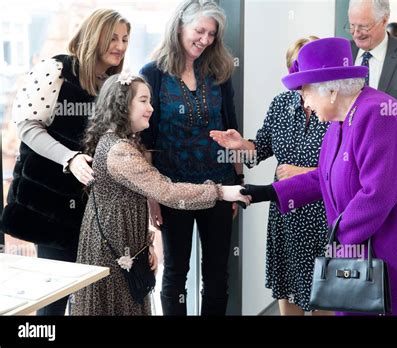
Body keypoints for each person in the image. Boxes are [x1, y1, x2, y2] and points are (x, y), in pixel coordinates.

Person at [240, 37, 397, 316]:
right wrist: (265, 193)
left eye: (305, 90)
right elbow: (325, 177)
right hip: (362, 254)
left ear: (331, 90)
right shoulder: (340, 119)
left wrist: (335, 241)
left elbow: (378, 194)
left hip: (392, 257)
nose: (303, 98)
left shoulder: (377, 114)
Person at [71, 73, 248, 316]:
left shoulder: (118, 142)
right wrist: (221, 191)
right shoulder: (120, 151)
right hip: (112, 246)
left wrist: (145, 244)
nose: (151, 108)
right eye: (143, 101)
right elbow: (167, 191)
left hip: (119, 241)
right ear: (122, 104)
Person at [2, 9, 130, 315]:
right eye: (112, 37)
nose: (121, 45)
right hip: (49, 205)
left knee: (89, 297)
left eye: (125, 39)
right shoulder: (56, 69)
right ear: (93, 35)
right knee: (53, 297)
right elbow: (27, 126)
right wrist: (69, 158)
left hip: (92, 208)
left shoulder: (113, 85)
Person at [210, 36, 332, 315]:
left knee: (325, 292)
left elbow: (346, 165)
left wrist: (303, 172)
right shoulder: (281, 104)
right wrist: (241, 146)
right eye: (296, 67)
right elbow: (261, 147)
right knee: (287, 286)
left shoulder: (335, 106)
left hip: (323, 213)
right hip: (286, 213)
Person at [139, 0, 241, 315]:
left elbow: (231, 129)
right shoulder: (152, 73)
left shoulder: (218, 72)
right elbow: (146, 140)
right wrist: (151, 196)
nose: (206, 40)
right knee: (175, 275)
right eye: (200, 31)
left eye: (212, 34)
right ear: (180, 25)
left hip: (218, 189)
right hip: (172, 191)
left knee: (216, 276)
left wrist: (237, 182)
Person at [346, 0, 397, 177]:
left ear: (384, 20)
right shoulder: (343, 52)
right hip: (346, 164)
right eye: (352, 26)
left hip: (391, 165)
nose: (356, 33)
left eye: (363, 27)